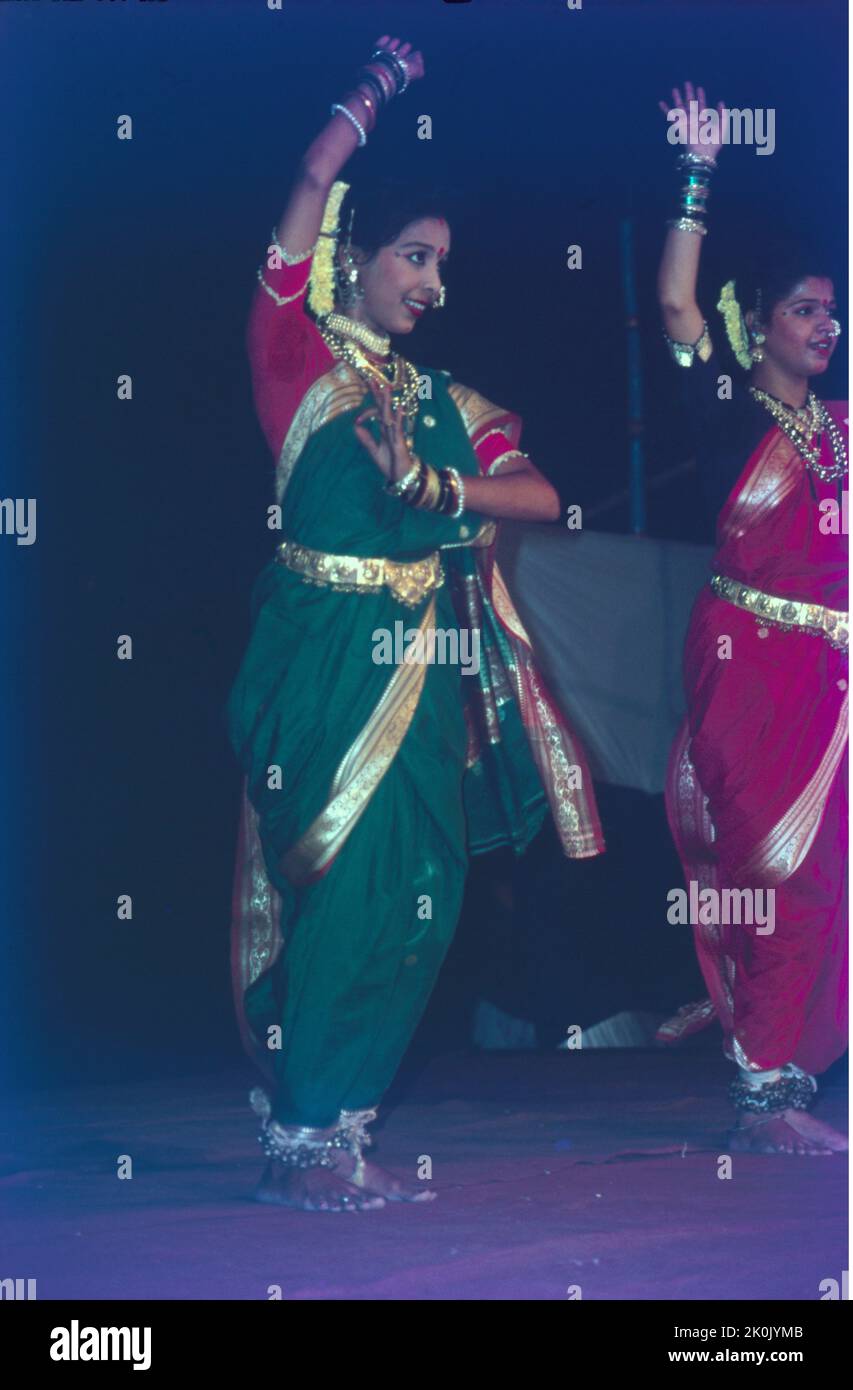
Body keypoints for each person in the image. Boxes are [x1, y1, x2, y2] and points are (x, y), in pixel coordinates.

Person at [226, 34, 604, 1212]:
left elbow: (540, 494)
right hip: (324, 646)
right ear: (355, 253)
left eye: (442, 261)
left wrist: (434, 490)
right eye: (413, 255)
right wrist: (374, 91)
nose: (432, 281)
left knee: (419, 888)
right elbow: (304, 185)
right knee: (340, 881)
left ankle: (341, 1121)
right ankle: (302, 1135)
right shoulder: (296, 355)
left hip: (424, 658)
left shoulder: (443, 400)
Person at [656, 83, 848, 1155]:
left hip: (829, 677)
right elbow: (678, 307)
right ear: (759, 324)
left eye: (834, 311)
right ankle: (761, 1087)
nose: (826, 327)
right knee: (772, 869)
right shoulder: (731, 411)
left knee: (830, 878)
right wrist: (699, 172)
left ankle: (785, 1072)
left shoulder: (844, 428)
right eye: (804, 311)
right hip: (747, 663)